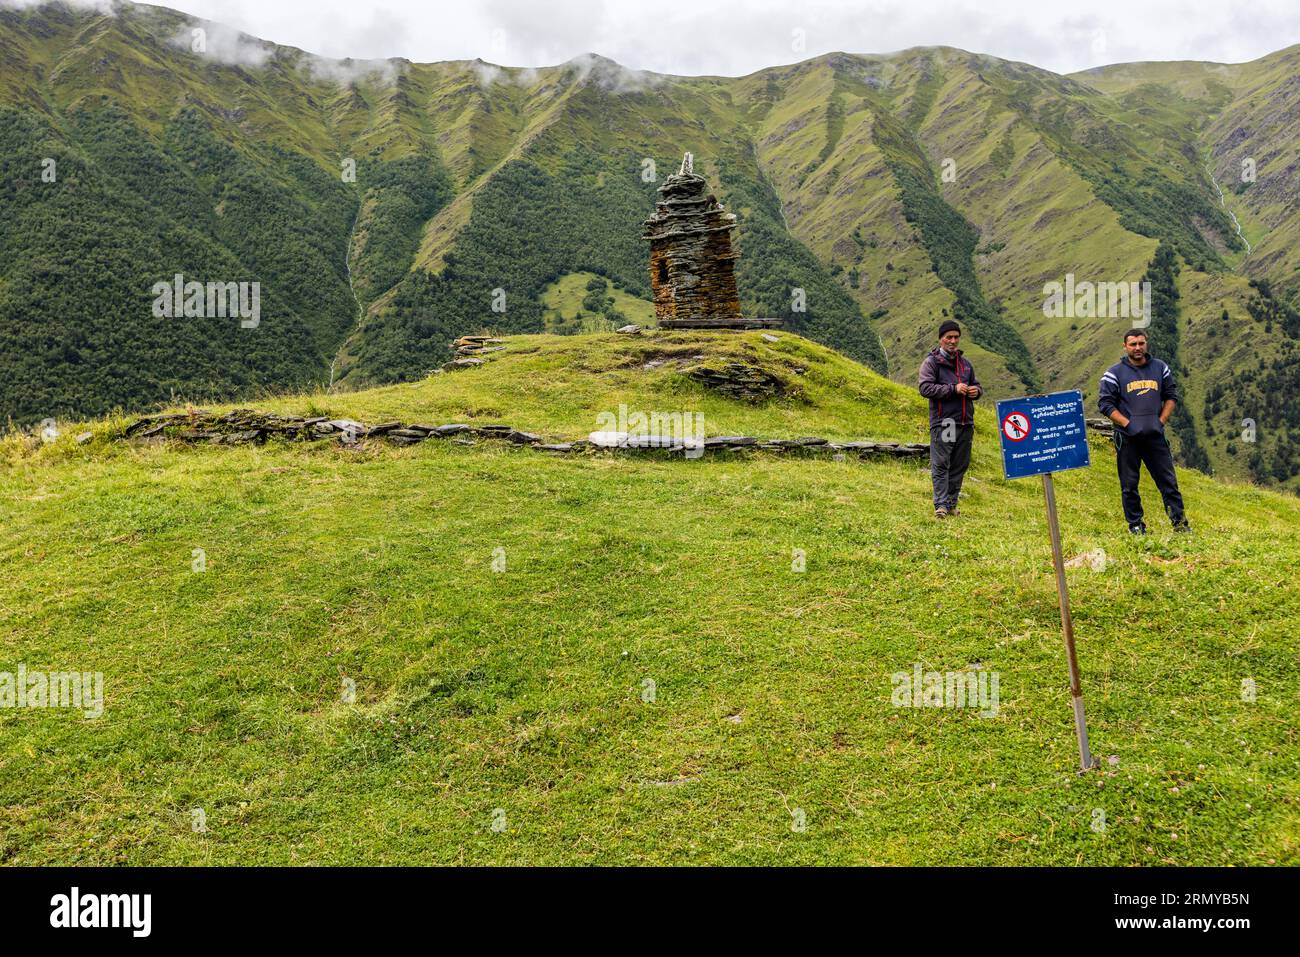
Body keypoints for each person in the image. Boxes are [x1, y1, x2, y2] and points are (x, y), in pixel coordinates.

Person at [1097, 329, 1189, 534]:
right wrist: (1127, 424)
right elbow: (1105, 404)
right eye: (1133, 344)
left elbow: (1171, 396)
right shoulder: (1114, 373)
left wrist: (1161, 421)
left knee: (1169, 483)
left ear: (1146, 343)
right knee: (1129, 485)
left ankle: (1180, 524)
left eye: (1141, 343)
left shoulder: (1160, 368)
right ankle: (1136, 526)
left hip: (1155, 437)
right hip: (1127, 438)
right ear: (1125, 346)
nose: (1137, 348)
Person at [918, 320, 981, 518]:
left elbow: (978, 386)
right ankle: (941, 506)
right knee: (942, 462)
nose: (953, 341)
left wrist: (975, 391)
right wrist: (953, 389)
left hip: (965, 422)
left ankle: (952, 505)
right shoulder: (932, 363)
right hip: (946, 422)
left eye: (956, 337)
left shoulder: (966, 365)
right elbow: (925, 388)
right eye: (949, 337)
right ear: (941, 339)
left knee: (960, 465)